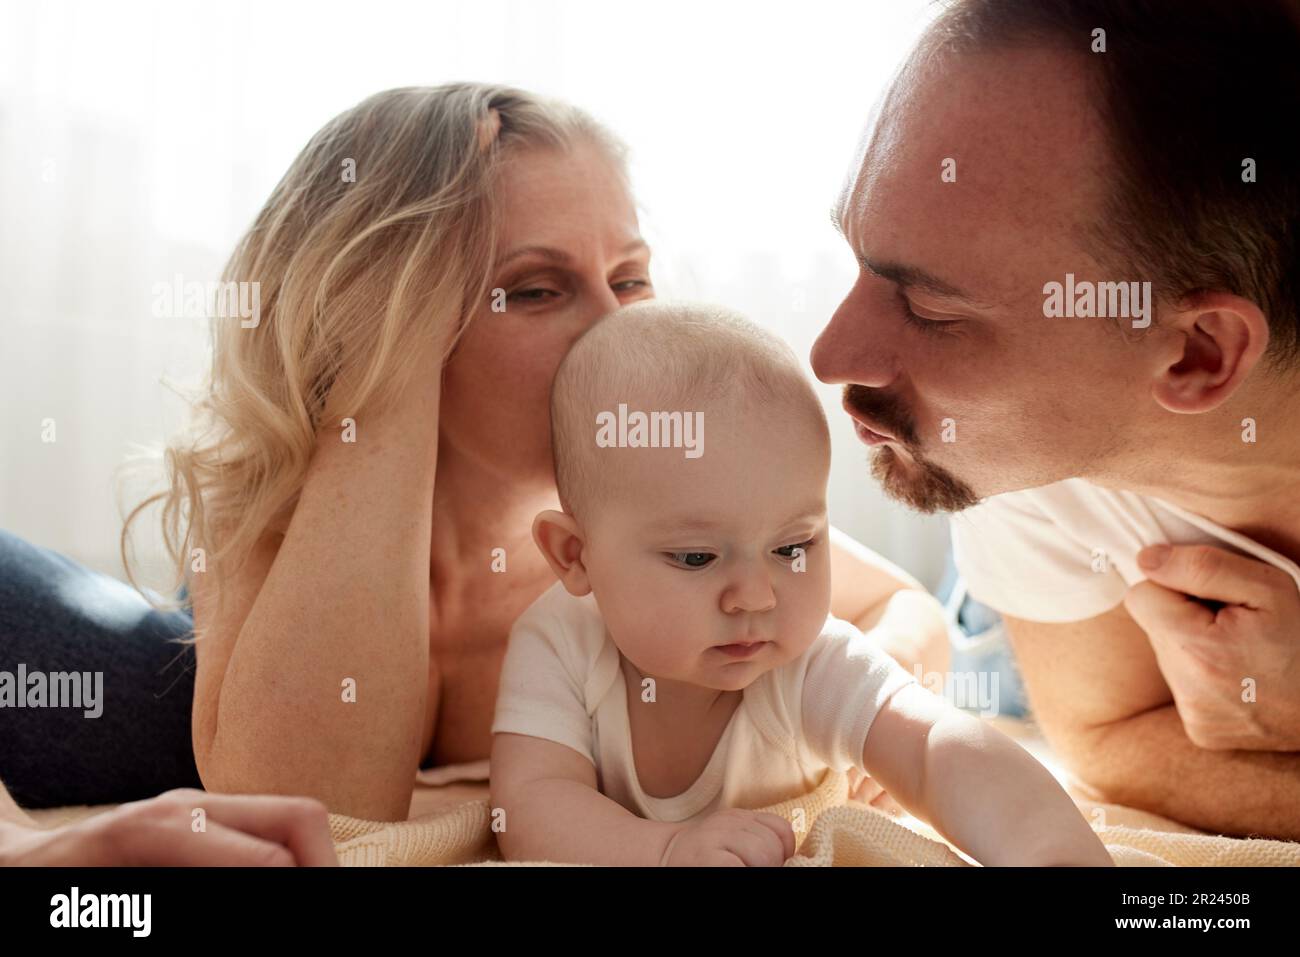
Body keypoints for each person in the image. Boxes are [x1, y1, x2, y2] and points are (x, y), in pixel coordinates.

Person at [2, 83, 949, 864]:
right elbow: (318, 811)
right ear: (396, 324)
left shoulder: (643, 530)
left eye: (628, 278)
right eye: (535, 289)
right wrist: (388, 371)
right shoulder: (284, 512)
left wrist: (891, 675)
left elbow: (902, 604)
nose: (614, 328)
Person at [811, 0, 1300, 838]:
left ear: (1198, 356)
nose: (828, 357)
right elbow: (1104, 741)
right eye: (859, 258)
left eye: (928, 306)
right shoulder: (1014, 454)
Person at [489, 301, 1111, 866]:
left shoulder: (810, 661)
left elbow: (935, 748)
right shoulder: (558, 645)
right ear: (575, 556)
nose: (757, 597)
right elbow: (532, 803)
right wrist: (666, 850)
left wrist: (1049, 851)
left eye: (792, 547)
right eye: (698, 558)